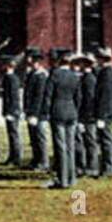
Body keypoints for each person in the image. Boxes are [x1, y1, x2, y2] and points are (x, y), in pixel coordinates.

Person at [43, 50, 82, 189]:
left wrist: (46, 112)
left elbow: (48, 96)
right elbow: (78, 97)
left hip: (58, 111)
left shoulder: (55, 75)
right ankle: (72, 178)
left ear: (58, 61)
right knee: (70, 146)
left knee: (60, 147)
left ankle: (62, 179)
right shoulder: (75, 76)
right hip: (71, 111)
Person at [23, 49, 49, 170]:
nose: (27, 60)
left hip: (39, 113)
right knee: (33, 138)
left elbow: (39, 96)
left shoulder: (41, 75)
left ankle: (43, 161)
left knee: (40, 137)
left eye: (30, 58)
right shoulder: (31, 74)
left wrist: (34, 114)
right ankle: (36, 159)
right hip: (31, 111)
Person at [94, 46, 112, 176]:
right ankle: (107, 167)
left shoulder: (106, 73)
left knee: (106, 140)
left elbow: (105, 96)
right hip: (107, 111)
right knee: (105, 140)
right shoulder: (107, 72)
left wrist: (101, 116)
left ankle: (109, 168)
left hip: (105, 112)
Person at [0, 56, 24, 165]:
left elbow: (14, 97)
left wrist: (11, 111)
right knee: (12, 134)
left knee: (15, 134)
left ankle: (17, 157)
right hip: (10, 110)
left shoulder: (12, 79)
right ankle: (12, 156)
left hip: (12, 111)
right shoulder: (8, 78)